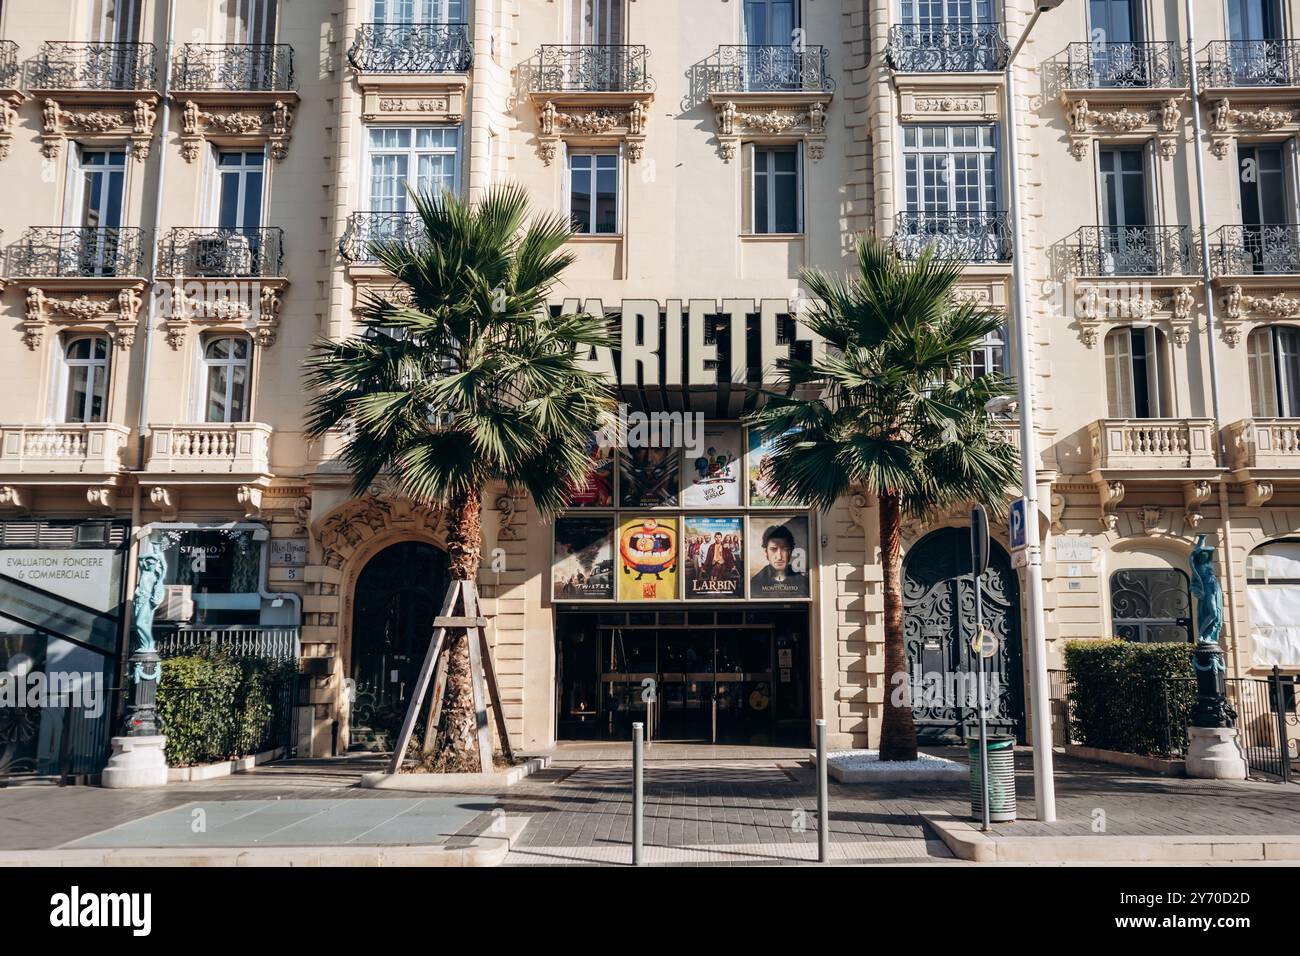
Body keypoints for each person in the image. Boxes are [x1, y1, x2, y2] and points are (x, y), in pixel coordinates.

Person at [750, 524, 806, 596]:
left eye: (784, 549)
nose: (779, 557)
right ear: (765, 551)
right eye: (773, 549)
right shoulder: (755, 583)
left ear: (791, 551)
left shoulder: (803, 582)